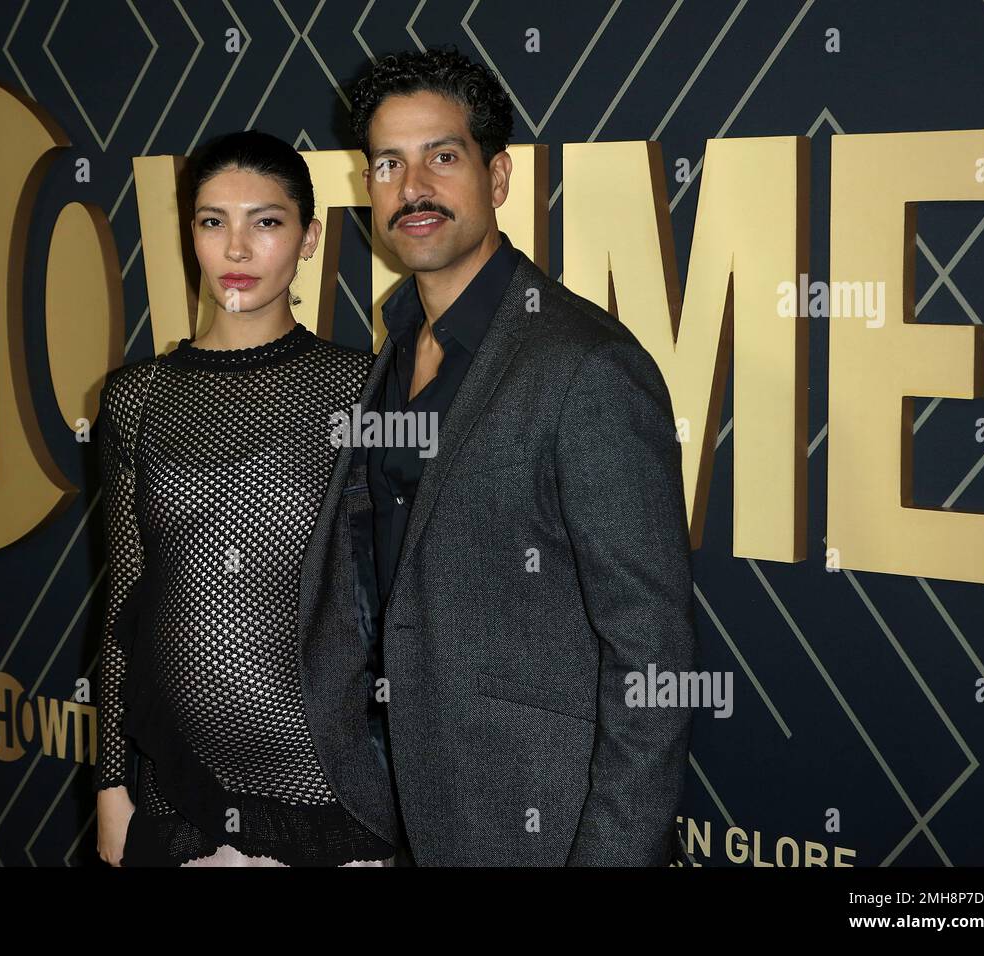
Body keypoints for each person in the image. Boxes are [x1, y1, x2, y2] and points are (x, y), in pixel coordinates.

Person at [297, 47, 698, 865]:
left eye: (442, 157)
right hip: (399, 813)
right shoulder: (395, 344)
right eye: (388, 163)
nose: (413, 188)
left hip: (536, 828)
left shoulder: (586, 366)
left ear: (499, 176)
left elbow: (652, 657)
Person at [93, 130, 394, 867]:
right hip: (181, 788)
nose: (236, 250)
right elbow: (124, 606)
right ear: (188, 235)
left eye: (266, 221)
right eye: (212, 221)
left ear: (309, 237)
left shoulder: (362, 391)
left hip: (329, 793)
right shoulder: (139, 397)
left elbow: (395, 605)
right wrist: (110, 786)